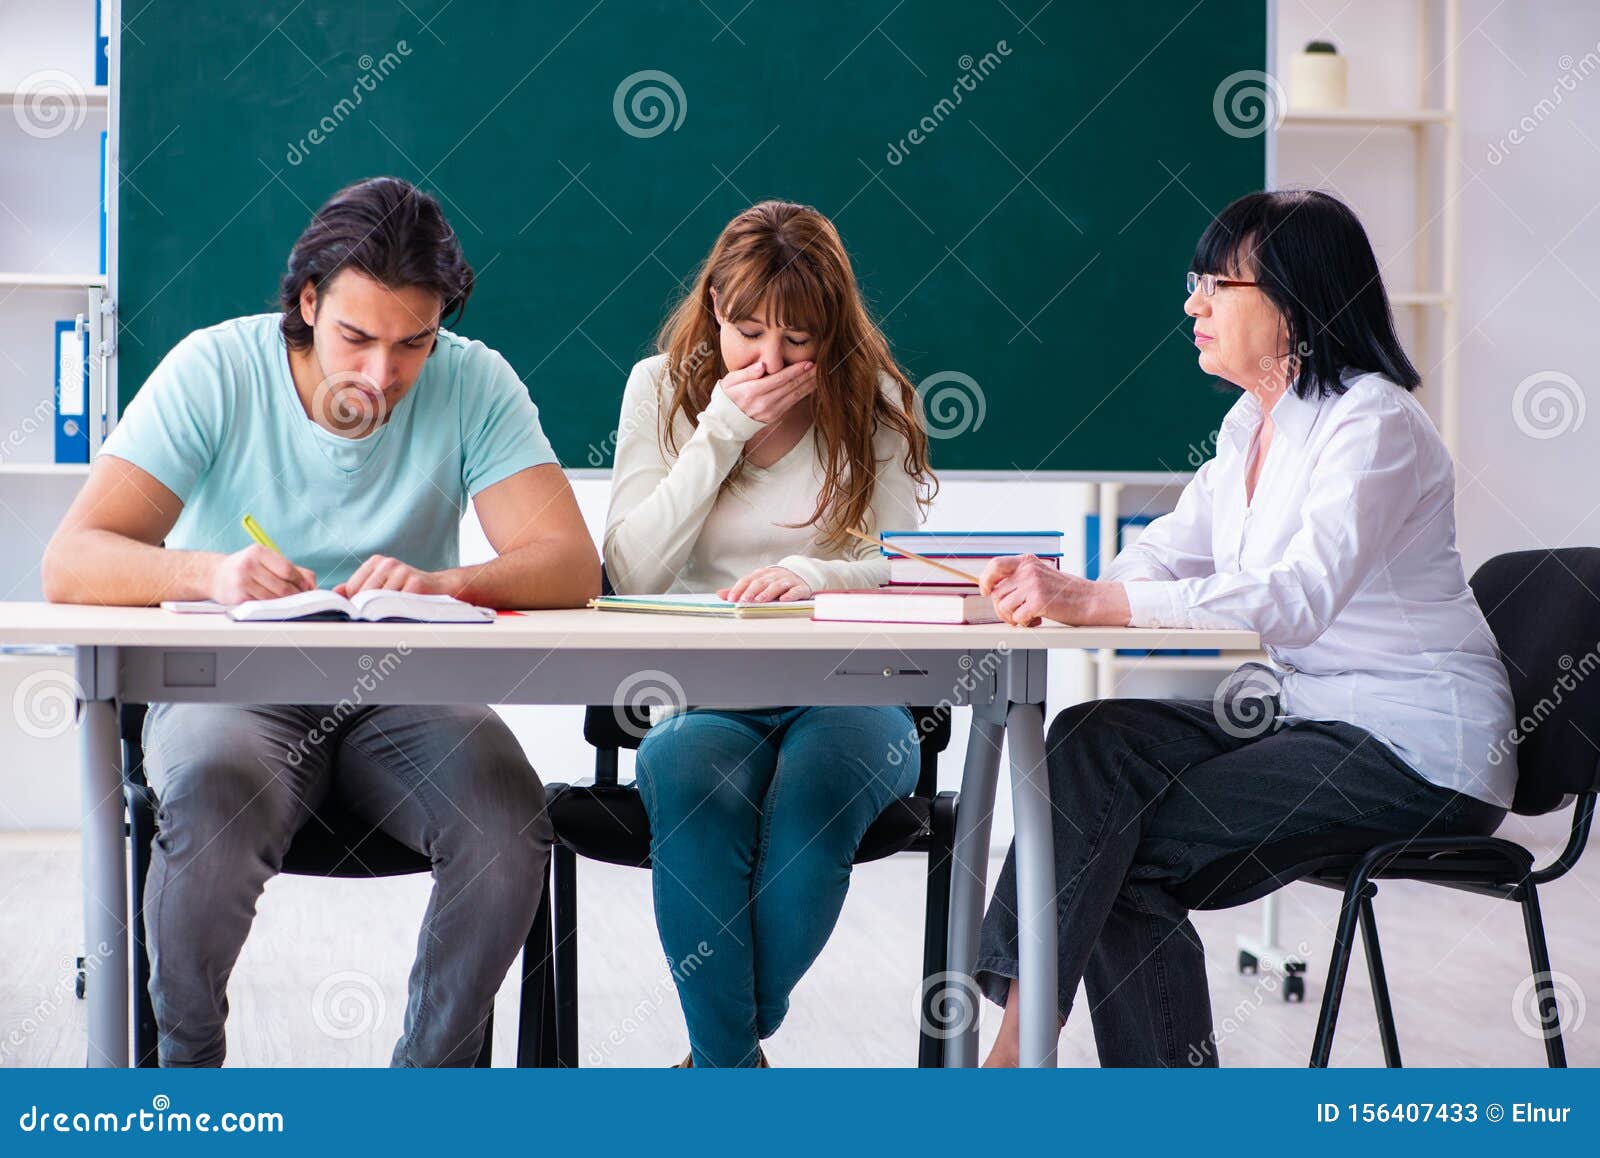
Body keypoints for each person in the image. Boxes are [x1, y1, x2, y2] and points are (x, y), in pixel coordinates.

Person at [42, 176, 600, 1066]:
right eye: (357, 338)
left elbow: (571, 563)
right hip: (237, 691)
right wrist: (212, 572)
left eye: (414, 342)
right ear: (307, 301)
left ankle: (426, 1101)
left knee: (506, 820)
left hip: (408, 694)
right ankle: (186, 1089)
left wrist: (449, 583)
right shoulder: (216, 368)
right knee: (209, 805)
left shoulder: (473, 380)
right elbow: (72, 562)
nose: (382, 375)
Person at [972, 189, 1516, 1067]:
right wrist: (1064, 589)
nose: (1193, 305)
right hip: (1313, 714)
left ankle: (1025, 1058)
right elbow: (1166, 554)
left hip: (1418, 748)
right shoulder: (1250, 423)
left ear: (1296, 302)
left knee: (1118, 846)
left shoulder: (1374, 424)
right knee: (1092, 742)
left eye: (1214, 285)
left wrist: (1095, 605)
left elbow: (1294, 596)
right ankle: (1021, 1036)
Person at [603, 200, 936, 1066]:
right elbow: (631, 571)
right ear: (715, 307)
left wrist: (815, 574)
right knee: (678, 769)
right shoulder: (660, 390)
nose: (772, 361)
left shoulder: (880, 399)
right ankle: (732, 1073)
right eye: (748, 332)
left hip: (854, 694)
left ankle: (717, 1070)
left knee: (813, 800)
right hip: (707, 695)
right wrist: (721, 433)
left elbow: (898, 568)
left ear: (833, 329)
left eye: (799, 340)